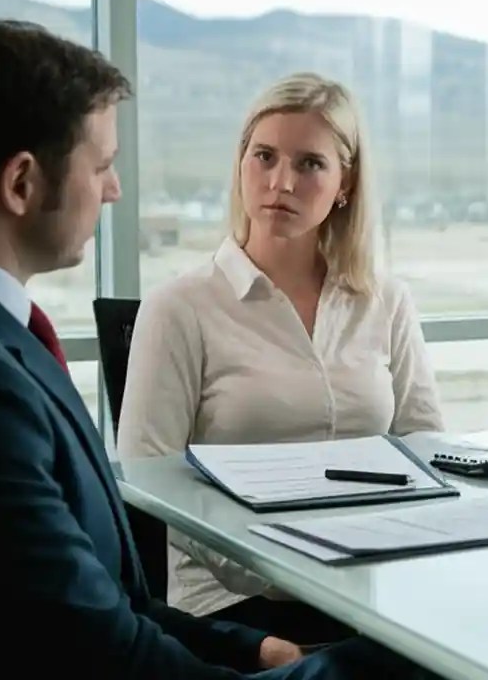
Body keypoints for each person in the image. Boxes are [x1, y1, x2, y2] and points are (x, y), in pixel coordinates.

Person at [0, 18, 431, 679]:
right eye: (102, 165)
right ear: (21, 183)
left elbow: (88, 601)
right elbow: (99, 653)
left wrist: (246, 650)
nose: (114, 190)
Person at [117, 71, 444, 640]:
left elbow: (426, 449)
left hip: (368, 591)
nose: (281, 182)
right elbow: (151, 482)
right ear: (241, 165)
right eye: (263, 156)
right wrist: (278, 571)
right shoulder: (180, 307)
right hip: (235, 609)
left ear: (346, 183)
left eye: (310, 164)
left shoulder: (386, 301)